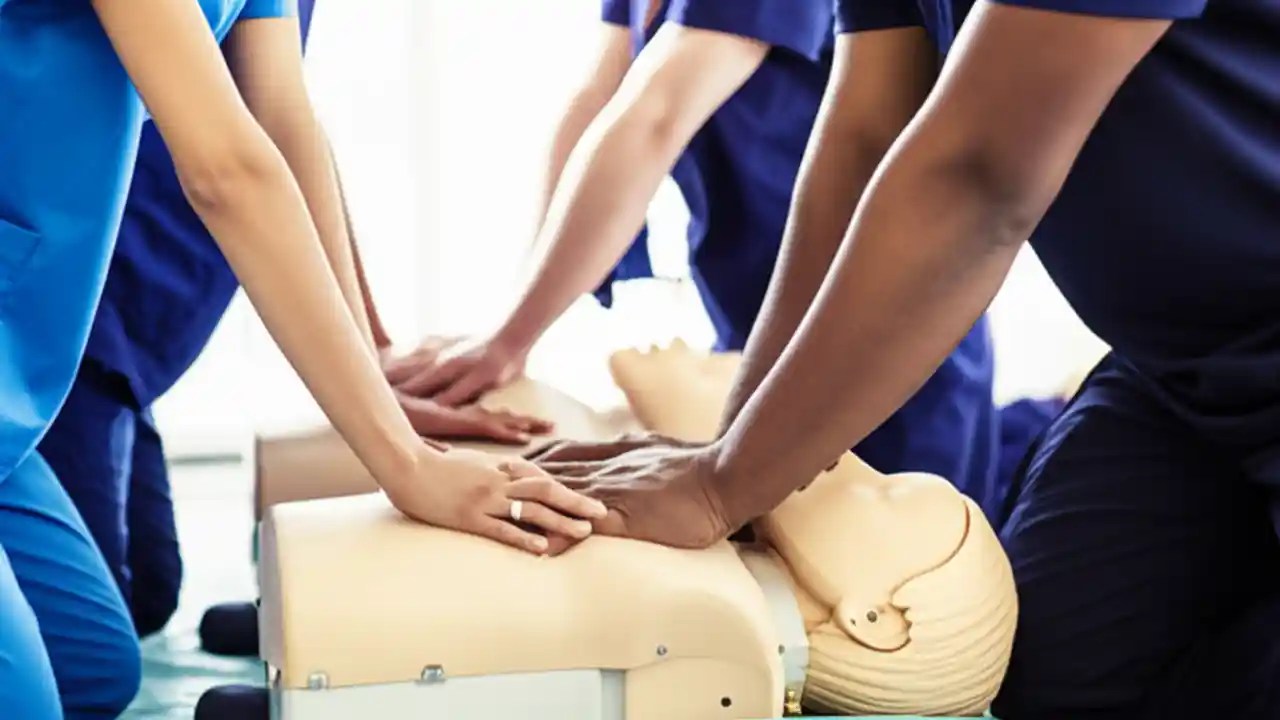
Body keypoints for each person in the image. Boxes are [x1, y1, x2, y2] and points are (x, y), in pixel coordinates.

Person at [529, 0, 1280, 718]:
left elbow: (978, 178)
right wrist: (733, 455)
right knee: (1059, 676)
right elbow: (865, 137)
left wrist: (725, 483)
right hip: (1175, 367)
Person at [0, 0, 602, 716]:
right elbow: (227, 170)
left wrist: (372, 374)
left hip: (21, 361)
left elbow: (283, 120)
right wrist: (407, 465)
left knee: (90, 669)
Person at [390, 0, 1016, 521]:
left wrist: (511, 338)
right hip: (764, 328)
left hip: (876, 342)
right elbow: (599, 99)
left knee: (906, 587)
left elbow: (655, 118)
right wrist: (510, 330)